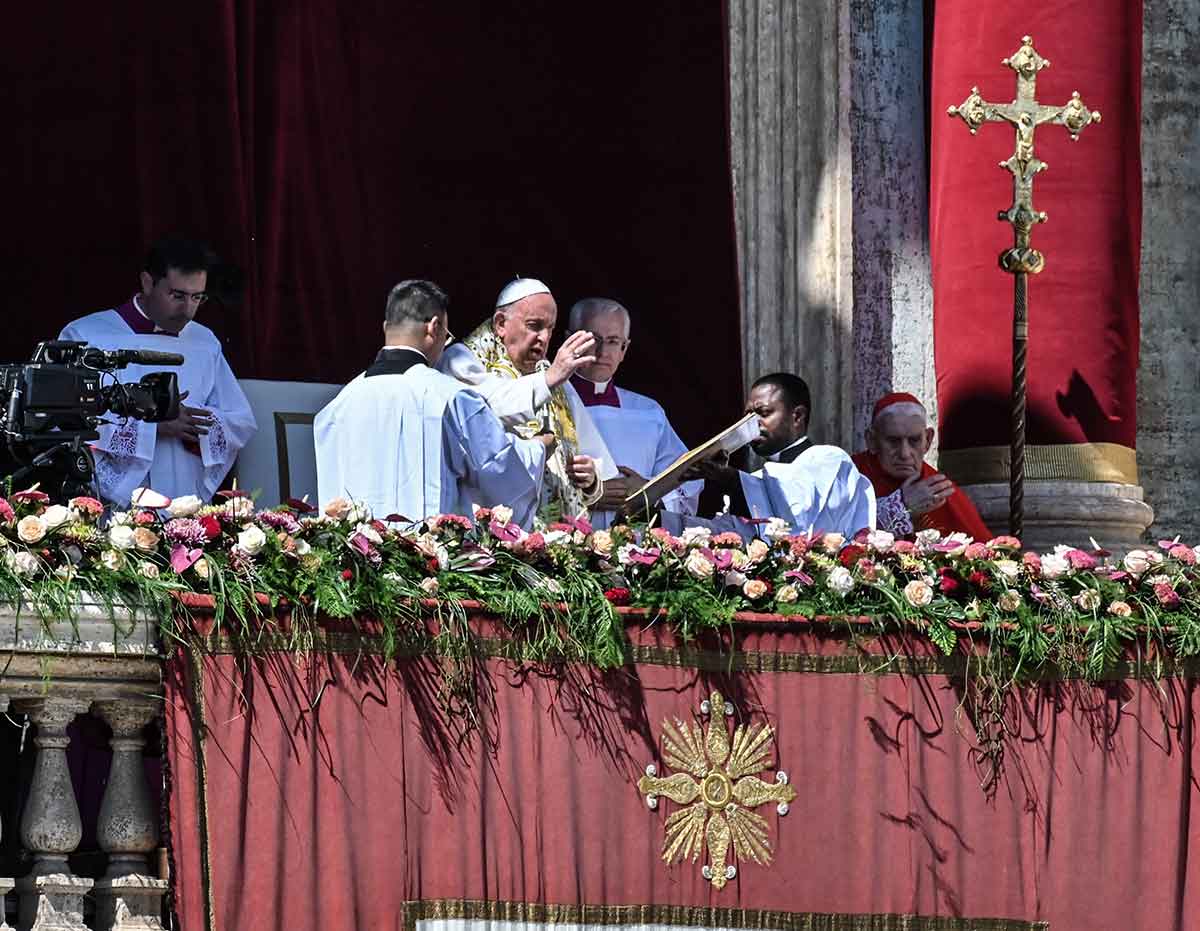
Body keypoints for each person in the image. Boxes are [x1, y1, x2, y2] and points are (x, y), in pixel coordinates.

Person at [314, 280, 550, 526]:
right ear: (434, 327)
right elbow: (497, 468)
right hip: (427, 557)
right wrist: (538, 448)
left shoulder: (337, 407)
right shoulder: (451, 397)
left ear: (387, 327)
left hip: (358, 558)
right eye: (446, 336)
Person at [59, 236, 256, 506]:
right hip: (112, 501)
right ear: (148, 282)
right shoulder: (86, 335)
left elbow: (241, 421)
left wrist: (197, 423)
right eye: (177, 295)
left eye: (197, 297)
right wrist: (153, 427)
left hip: (183, 490)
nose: (188, 310)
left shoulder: (204, 341)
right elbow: (63, 419)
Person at [437, 277, 617, 523]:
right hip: (491, 532)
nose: (544, 337)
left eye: (550, 328)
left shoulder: (551, 373)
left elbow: (594, 460)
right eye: (535, 325)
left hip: (554, 537)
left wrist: (590, 478)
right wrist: (549, 379)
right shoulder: (462, 361)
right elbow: (488, 408)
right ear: (501, 323)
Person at [564, 297, 701, 528]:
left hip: (635, 548)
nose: (602, 351)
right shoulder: (545, 402)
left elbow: (687, 482)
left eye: (613, 341)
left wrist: (647, 493)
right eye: (593, 339)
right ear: (570, 340)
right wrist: (586, 495)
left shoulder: (648, 412)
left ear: (624, 349)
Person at [685, 373, 875, 538]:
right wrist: (664, 521)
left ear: (797, 416)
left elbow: (796, 509)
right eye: (747, 418)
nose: (752, 425)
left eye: (763, 413)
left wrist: (731, 479)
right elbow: (730, 533)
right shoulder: (756, 481)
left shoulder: (829, 459)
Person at [852, 392, 992, 539]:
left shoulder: (942, 491)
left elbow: (986, 552)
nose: (905, 454)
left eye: (914, 441)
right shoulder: (847, 477)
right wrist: (901, 507)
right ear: (872, 441)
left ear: (928, 440)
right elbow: (834, 535)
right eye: (893, 441)